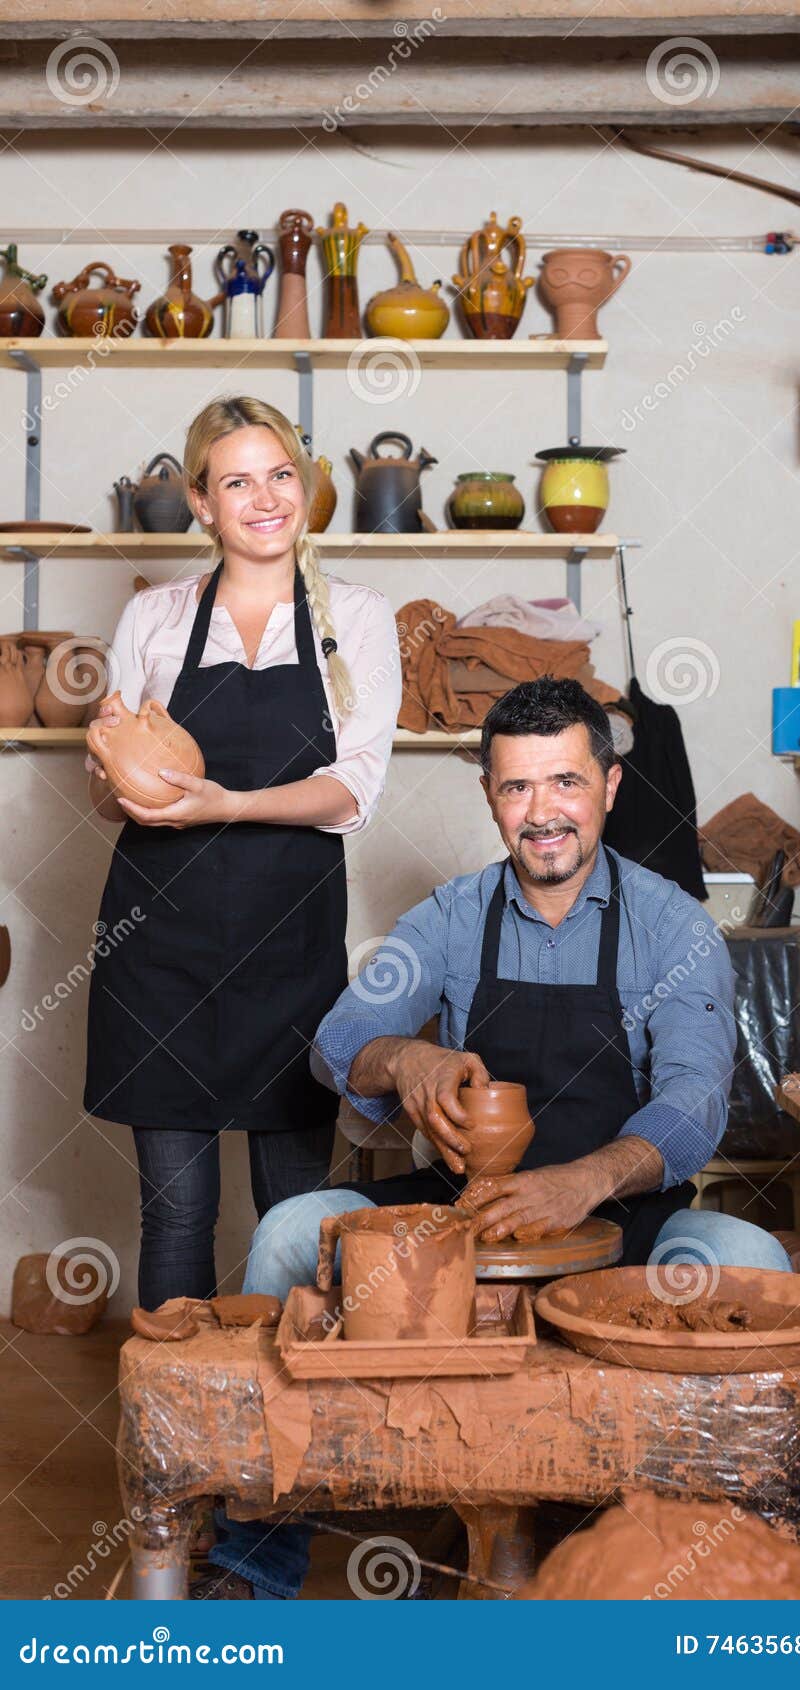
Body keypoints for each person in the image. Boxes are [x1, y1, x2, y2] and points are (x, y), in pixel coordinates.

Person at [195, 676, 789, 1600]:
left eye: (564, 783)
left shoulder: (673, 925)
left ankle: (716, 1565)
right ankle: (251, 1563)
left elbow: (692, 1102)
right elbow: (337, 1041)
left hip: (623, 1226)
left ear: (610, 788)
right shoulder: (449, 915)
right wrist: (405, 1059)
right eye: (517, 788)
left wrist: (584, 1181)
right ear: (489, 796)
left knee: (746, 1252)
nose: (541, 813)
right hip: (459, 1221)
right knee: (285, 1232)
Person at [83, 396, 401, 1311]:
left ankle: (293, 1427)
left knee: (294, 1216)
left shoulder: (356, 616)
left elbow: (354, 789)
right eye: (236, 481)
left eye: (280, 475)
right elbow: (108, 798)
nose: (263, 498)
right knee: (176, 1215)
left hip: (291, 954)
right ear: (200, 501)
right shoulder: (155, 620)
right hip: (158, 950)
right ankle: (176, 1437)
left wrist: (226, 802)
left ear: (304, 487)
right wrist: (112, 763)